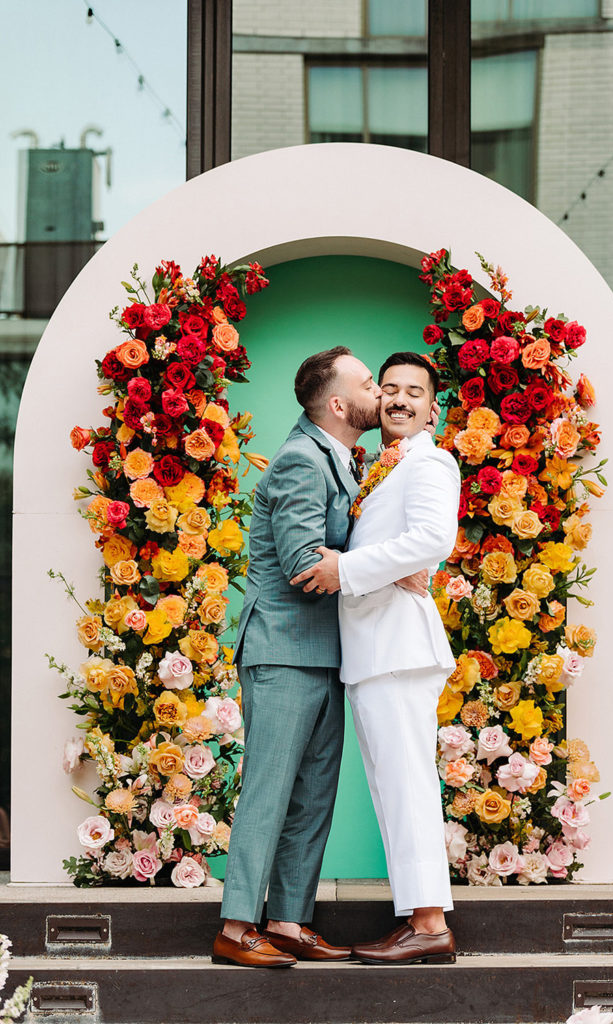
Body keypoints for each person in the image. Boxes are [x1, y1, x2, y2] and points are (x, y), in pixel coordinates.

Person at [213, 346, 424, 968]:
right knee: (270, 789)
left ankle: (288, 921)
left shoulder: (340, 459)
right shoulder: (301, 461)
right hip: (282, 650)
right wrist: (390, 574)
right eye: (368, 384)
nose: (381, 395)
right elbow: (307, 565)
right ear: (338, 404)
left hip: (325, 651)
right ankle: (235, 926)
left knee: (313, 794)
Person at [291, 352, 461, 965]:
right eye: (388, 389)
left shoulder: (431, 461)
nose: (398, 400)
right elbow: (406, 548)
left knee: (406, 784)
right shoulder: (379, 468)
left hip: (397, 648)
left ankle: (429, 922)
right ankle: (417, 915)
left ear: (432, 408)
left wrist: (349, 568)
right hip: (372, 650)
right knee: (395, 788)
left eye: (414, 392)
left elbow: (433, 539)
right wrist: (392, 567)